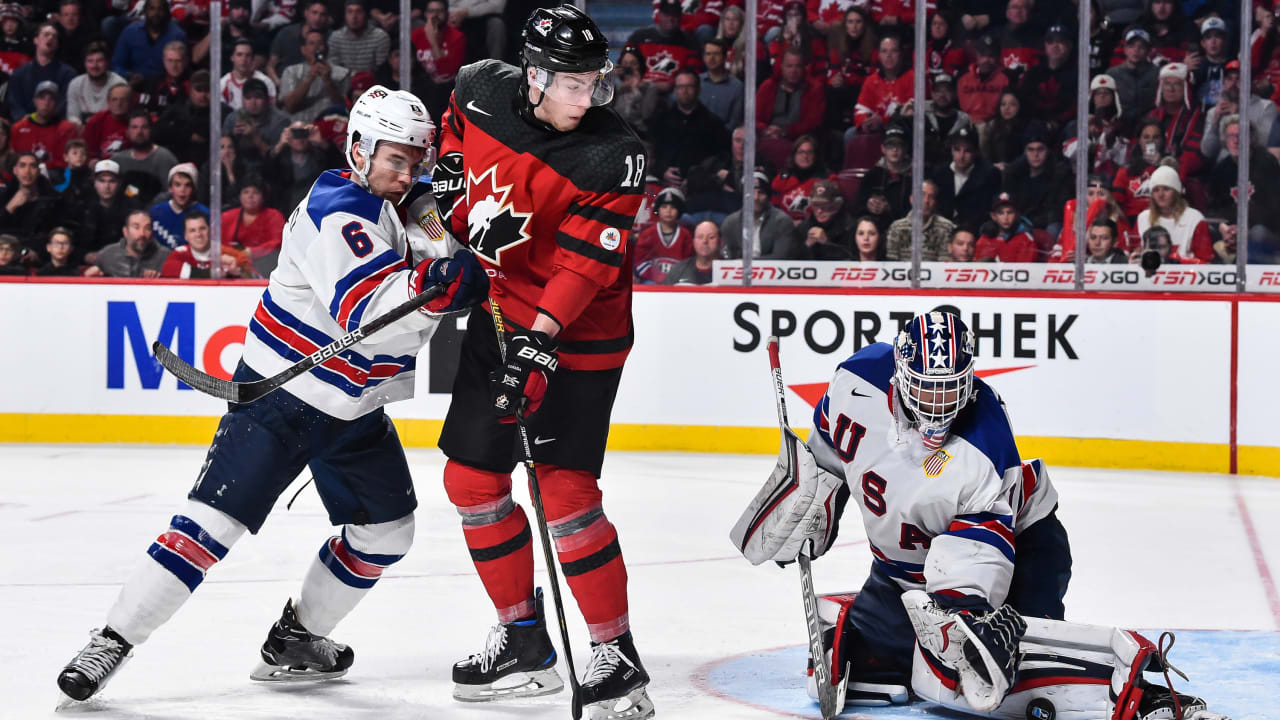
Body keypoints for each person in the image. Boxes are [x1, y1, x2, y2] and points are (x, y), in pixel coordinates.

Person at [56, 84, 487, 703]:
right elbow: (371, 311)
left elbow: (434, 247)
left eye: (417, 160)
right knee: (209, 527)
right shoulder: (339, 209)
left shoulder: (403, 204)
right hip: (280, 403)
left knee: (387, 532)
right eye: (397, 158)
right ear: (359, 149)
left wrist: (444, 253)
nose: (408, 172)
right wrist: (437, 286)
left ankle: (296, 639)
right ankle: (112, 640)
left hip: (353, 409)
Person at [730, 310, 1225, 720]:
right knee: (871, 663)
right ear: (900, 374)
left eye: (950, 390)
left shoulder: (984, 444)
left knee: (991, 673)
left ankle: (1137, 692)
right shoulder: (855, 381)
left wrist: (962, 618)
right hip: (901, 571)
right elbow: (828, 460)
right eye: (926, 388)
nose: (938, 406)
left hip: (1021, 550)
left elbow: (975, 552)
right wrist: (812, 505)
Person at [430, 7, 654, 716]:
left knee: (564, 492)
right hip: (501, 313)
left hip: (579, 336)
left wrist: (540, 342)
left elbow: (583, 268)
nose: (587, 98)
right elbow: (451, 148)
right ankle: (522, 640)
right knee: (470, 480)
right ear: (532, 75)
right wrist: (453, 236)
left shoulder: (613, 154)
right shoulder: (478, 88)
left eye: (594, 83)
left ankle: (617, 655)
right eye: (572, 84)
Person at [651, 68, 733, 193]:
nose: (684, 91)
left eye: (689, 86)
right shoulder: (661, 120)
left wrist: (697, 179)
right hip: (662, 185)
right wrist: (662, 171)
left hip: (699, 189)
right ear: (675, 90)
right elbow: (652, 153)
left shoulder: (713, 123)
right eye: (680, 87)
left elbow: (721, 158)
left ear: (698, 89)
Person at [1001, 123, 1074, 233]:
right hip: (1017, 224)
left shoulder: (1060, 174)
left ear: (1048, 150)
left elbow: (1057, 211)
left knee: (1053, 228)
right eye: (1031, 149)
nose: (1035, 154)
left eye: (1040, 149)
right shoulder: (1014, 174)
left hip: (1045, 227)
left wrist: (1030, 224)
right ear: (1025, 152)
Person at [1134, 164, 1211, 263]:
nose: (1160, 195)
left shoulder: (1195, 219)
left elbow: (1205, 262)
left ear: (1176, 192)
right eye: (1156, 190)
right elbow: (1134, 252)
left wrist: (1179, 262)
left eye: (1166, 189)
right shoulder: (1143, 218)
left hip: (1185, 272)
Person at [722, 169, 803, 259]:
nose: (756, 198)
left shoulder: (782, 221)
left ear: (768, 196)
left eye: (761, 192)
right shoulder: (730, 223)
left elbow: (781, 257)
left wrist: (743, 263)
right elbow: (727, 257)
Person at [932, 124, 1001, 230]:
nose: (961, 156)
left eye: (967, 151)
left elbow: (988, 210)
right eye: (957, 149)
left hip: (975, 230)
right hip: (943, 229)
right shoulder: (940, 173)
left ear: (975, 152)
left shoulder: (989, 174)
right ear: (951, 150)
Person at [268, 121, 345, 215]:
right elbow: (267, 173)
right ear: (288, 136)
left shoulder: (319, 156)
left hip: (317, 207)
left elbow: (339, 166)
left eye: (303, 133)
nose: (300, 139)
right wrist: (279, 145)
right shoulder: (281, 158)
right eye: (295, 134)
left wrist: (321, 142)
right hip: (289, 210)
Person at [411, 0, 466, 125]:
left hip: (445, 93)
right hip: (421, 90)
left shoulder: (457, 37)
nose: (435, 15)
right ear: (425, 14)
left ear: (447, 14)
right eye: (431, 11)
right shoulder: (415, 35)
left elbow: (445, 72)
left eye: (439, 11)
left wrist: (433, 41)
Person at [8, 23, 76, 122]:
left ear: (57, 44)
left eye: (54, 36)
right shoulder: (19, 74)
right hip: (25, 124)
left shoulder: (67, 73)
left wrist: (45, 120)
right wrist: (28, 120)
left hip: (55, 124)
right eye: (46, 34)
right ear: (36, 40)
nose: (50, 38)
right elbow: (15, 103)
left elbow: (64, 103)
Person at [625, 0, 699, 92]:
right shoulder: (639, 37)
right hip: (639, 87)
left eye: (674, 15)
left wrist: (673, 84)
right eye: (666, 15)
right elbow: (623, 65)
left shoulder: (690, 41)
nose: (670, 19)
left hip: (675, 91)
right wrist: (638, 82)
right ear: (659, 15)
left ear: (680, 17)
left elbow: (694, 73)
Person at [280, 29, 351, 123]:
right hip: (298, 125)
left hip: (329, 126)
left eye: (320, 43)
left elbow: (344, 107)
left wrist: (328, 81)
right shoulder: (291, 72)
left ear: (326, 48)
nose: (316, 47)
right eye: (311, 43)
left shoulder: (342, 73)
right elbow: (289, 106)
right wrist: (309, 80)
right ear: (303, 50)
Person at [160, 209, 257, 278]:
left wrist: (239, 271)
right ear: (185, 236)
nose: (198, 234)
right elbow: (168, 269)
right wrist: (214, 273)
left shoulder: (229, 253)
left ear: (210, 231)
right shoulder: (180, 253)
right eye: (192, 230)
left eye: (202, 228)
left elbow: (256, 279)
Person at [757, 47, 826, 141]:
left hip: (800, 140)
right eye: (789, 66)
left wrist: (785, 131)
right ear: (782, 66)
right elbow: (754, 118)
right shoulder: (768, 86)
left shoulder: (814, 88)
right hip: (768, 136)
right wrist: (766, 129)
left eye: (798, 66)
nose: (793, 71)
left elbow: (813, 123)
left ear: (804, 68)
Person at [78, 159, 139, 265]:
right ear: (94, 183)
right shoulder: (82, 207)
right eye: (102, 181)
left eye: (112, 181)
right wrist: (84, 256)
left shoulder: (131, 208)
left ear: (119, 183)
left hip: (122, 262)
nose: (107, 186)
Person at [111, 109, 179, 203]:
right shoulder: (117, 160)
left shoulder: (165, 158)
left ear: (151, 130)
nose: (139, 132)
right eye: (134, 127)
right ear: (128, 132)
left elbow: (173, 194)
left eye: (144, 127)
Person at [0, 152, 60, 258]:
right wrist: (9, 208)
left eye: (32, 166)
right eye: (22, 166)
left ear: (39, 171)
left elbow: (57, 235)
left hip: (41, 255)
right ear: (15, 170)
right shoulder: (4, 197)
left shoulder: (53, 200)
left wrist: (37, 253)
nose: (27, 171)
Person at [221, 177, 286, 273]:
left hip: (267, 267)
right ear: (240, 196)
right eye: (246, 192)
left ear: (263, 197)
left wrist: (252, 252)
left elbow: (278, 243)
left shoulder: (274, 216)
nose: (250, 196)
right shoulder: (227, 216)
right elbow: (218, 245)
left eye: (255, 192)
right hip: (232, 265)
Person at [10, 81, 78, 170]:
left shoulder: (67, 129)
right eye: (42, 98)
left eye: (51, 99)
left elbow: (67, 163)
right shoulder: (18, 128)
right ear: (35, 100)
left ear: (57, 103)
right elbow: (12, 161)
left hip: (56, 175)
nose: (46, 103)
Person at [223, 78, 292, 166]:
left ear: (267, 100)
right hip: (239, 168)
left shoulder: (281, 121)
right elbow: (222, 154)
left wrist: (256, 139)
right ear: (242, 100)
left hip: (271, 169)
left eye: (258, 97)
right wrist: (233, 138)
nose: (253, 102)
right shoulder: (232, 119)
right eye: (248, 98)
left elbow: (280, 160)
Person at [112, 0, 187, 79]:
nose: (156, 13)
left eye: (161, 9)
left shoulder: (177, 35)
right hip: (134, 81)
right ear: (145, 11)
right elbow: (117, 65)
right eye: (151, 9)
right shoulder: (130, 32)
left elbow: (183, 67)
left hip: (165, 83)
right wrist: (129, 75)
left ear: (167, 13)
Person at [85, 208, 171, 277]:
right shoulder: (107, 255)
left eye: (147, 228)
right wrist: (89, 278)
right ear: (125, 231)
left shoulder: (166, 257)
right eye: (136, 227)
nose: (142, 233)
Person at [852, 35, 912, 134]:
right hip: (874, 131)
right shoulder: (871, 80)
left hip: (902, 131)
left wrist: (883, 122)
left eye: (894, 51)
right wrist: (866, 122)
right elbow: (860, 110)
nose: (889, 55)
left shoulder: (912, 78)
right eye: (884, 51)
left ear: (900, 54)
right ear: (879, 55)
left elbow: (911, 114)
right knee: (850, 134)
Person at [884, 178, 956, 261]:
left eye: (931, 197)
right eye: (922, 195)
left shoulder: (946, 227)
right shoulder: (897, 227)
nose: (926, 201)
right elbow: (892, 262)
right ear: (911, 199)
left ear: (935, 202)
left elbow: (944, 262)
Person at [635, 187, 693, 284]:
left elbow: (689, 263)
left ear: (679, 210)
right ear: (658, 209)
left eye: (673, 207)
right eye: (664, 206)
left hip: (678, 281)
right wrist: (660, 278)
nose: (668, 211)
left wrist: (675, 279)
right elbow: (641, 262)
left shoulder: (686, 235)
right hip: (651, 281)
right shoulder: (648, 234)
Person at [772, 134, 835, 222]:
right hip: (783, 226)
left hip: (814, 226)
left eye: (809, 152)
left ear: (815, 155)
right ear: (794, 155)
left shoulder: (827, 178)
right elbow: (773, 209)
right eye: (801, 152)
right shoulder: (782, 178)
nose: (805, 156)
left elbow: (828, 213)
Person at [150, 163, 209, 250]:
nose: (182, 190)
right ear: (170, 188)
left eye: (187, 185)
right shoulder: (156, 211)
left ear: (194, 189)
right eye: (177, 185)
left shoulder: (205, 214)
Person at [67, 41, 127, 124]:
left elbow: (121, 119)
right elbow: (72, 117)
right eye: (90, 61)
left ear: (107, 62)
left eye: (99, 61)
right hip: (82, 129)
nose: (94, 65)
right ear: (85, 63)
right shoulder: (75, 84)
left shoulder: (120, 85)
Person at [1106, 28, 1159, 119]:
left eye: (1141, 47)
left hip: (1150, 122)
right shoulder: (1112, 74)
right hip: (1119, 122)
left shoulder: (1157, 74)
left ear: (1148, 50)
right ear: (1125, 49)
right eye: (1131, 46)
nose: (1136, 50)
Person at [957, 35, 1009, 125]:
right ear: (977, 55)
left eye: (991, 55)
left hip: (995, 124)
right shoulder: (963, 78)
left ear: (997, 57)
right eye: (983, 55)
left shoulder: (1005, 78)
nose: (986, 60)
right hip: (967, 123)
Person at [328, 0, 390, 74]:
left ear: (366, 15)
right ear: (345, 15)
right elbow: (333, 67)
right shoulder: (336, 37)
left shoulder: (380, 37)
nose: (354, 16)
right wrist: (353, 76)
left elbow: (381, 70)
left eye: (359, 12)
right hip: (343, 80)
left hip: (372, 80)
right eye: (350, 12)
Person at [976, 192, 1037, 262]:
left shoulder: (1026, 239)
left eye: (1010, 212)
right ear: (993, 216)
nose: (1006, 217)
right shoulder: (985, 238)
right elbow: (978, 265)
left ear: (1017, 214)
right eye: (1000, 213)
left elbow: (1026, 267)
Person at [801, 178, 855, 257]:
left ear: (837, 205)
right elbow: (790, 258)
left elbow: (854, 257)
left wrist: (827, 243)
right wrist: (807, 245)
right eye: (815, 205)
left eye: (824, 205)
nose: (819, 211)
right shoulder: (804, 227)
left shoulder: (849, 227)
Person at [221, 38, 278, 111]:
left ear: (252, 58)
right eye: (239, 55)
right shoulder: (222, 84)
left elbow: (272, 111)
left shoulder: (266, 82)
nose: (244, 59)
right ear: (232, 57)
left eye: (248, 55)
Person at [700, 38, 743, 130]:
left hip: (724, 135)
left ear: (724, 57)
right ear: (703, 57)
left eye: (716, 54)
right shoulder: (696, 82)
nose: (712, 58)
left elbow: (735, 121)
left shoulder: (737, 87)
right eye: (708, 54)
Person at [83, 84, 132, 160]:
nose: (119, 104)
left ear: (131, 102)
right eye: (114, 99)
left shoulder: (139, 122)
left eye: (123, 100)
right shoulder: (96, 121)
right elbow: (87, 152)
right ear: (108, 102)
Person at [663, 219, 721, 285]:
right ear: (693, 241)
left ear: (720, 242)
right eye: (700, 237)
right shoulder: (678, 270)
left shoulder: (728, 270)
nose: (705, 241)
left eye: (711, 237)